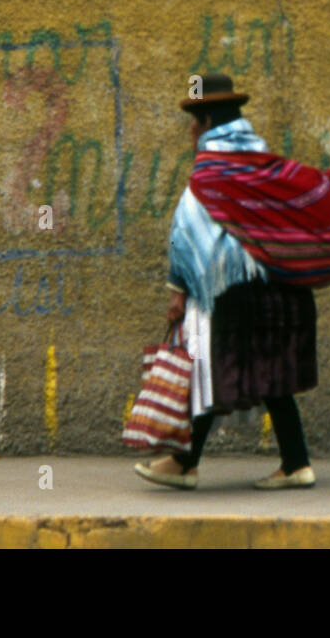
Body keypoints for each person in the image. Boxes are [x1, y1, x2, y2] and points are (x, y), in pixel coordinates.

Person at [135, 74, 318, 490]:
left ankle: (184, 465)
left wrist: (177, 289)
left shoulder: (209, 173)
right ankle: (297, 463)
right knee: (271, 375)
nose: (189, 131)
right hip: (277, 288)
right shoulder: (262, 162)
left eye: (194, 122)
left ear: (208, 121)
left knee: (206, 369)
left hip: (229, 294)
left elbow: (185, 235)